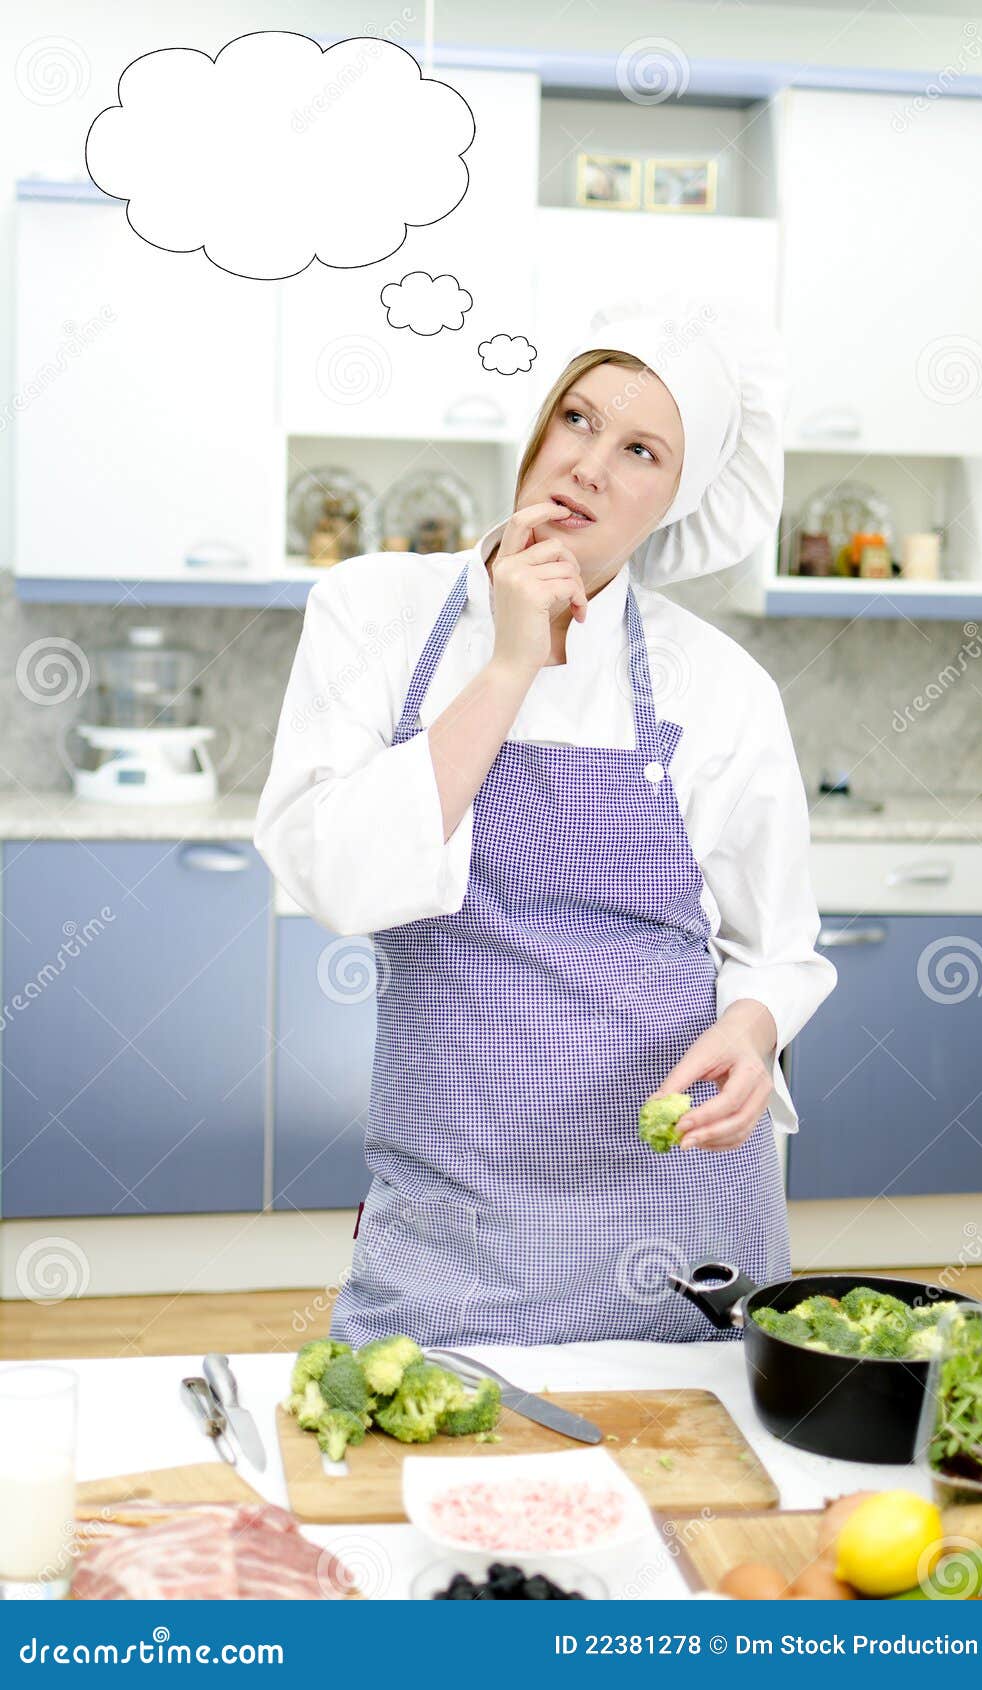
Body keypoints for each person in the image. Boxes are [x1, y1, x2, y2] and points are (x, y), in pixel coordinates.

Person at [254, 293, 838, 1346]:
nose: (588, 466)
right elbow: (331, 876)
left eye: (639, 451)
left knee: (691, 1493)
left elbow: (777, 952)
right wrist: (511, 660)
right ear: (535, 427)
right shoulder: (372, 609)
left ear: (674, 497)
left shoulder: (721, 684)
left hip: (674, 1210)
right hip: (453, 1215)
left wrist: (752, 1034)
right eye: (575, 419)